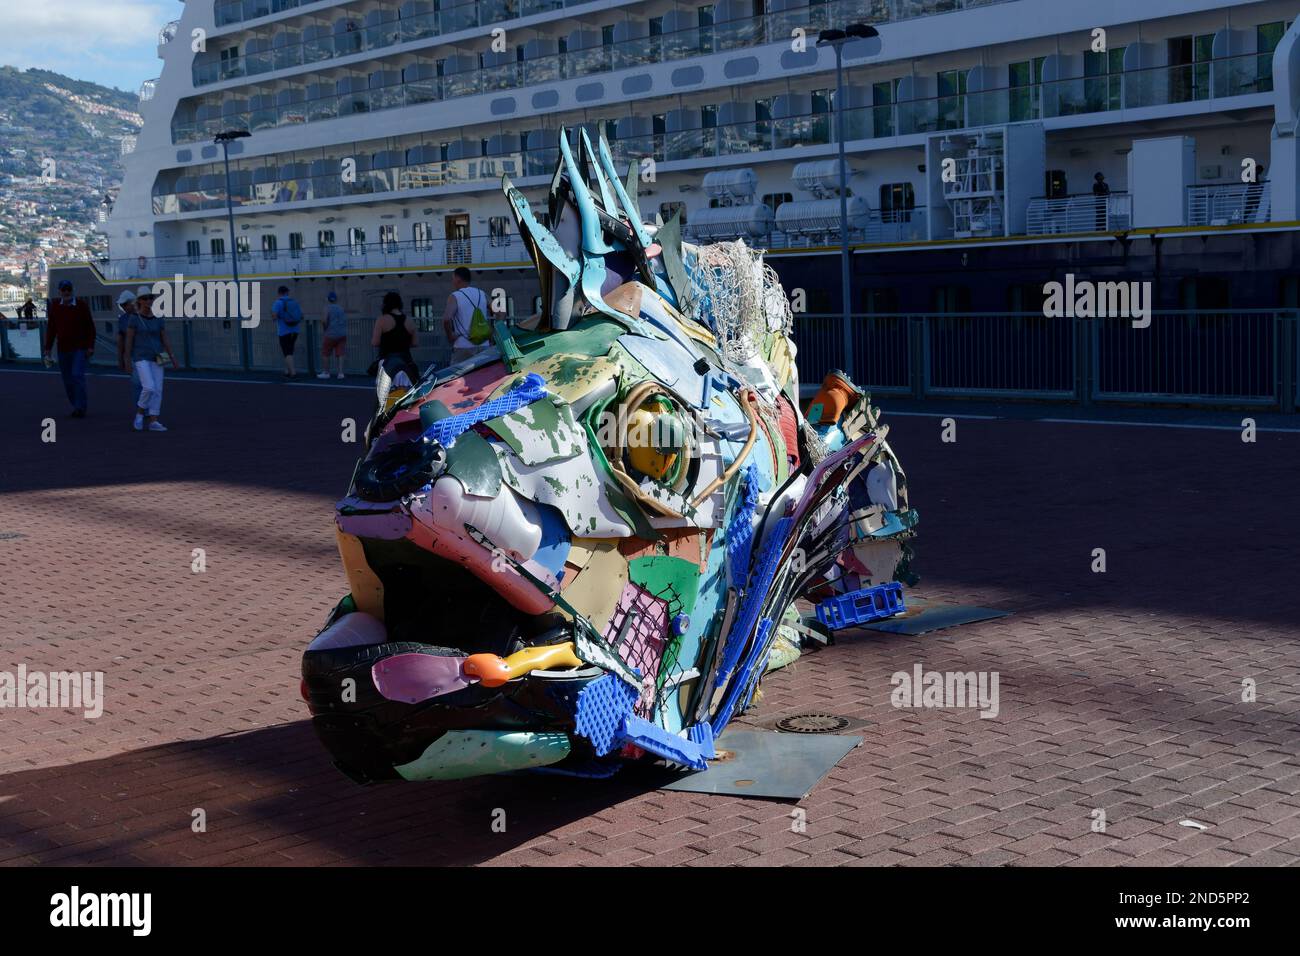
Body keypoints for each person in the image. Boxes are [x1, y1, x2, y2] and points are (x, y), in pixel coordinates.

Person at [124, 287, 179, 432]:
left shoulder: (158, 318)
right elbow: (129, 340)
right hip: (141, 356)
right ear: (139, 301)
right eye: (145, 298)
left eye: (150, 297)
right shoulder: (134, 318)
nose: (148, 300)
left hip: (159, 356)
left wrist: (172, 356)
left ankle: (154, 420)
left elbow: (164, 338)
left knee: (158, 389)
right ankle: (140, 413)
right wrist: (126, 359)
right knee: (149, 386)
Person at [42, 279, 96, 418]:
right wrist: (48, 348)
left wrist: (90, 346)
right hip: (63, 349)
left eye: (68, 289)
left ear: (72, 290)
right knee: (67, 380)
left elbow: (90, 327)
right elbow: (51, 328)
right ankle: (76, 404)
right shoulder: (55, 306)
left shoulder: (81, 305)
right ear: (59, 291)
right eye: (64, 289)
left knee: (77, 375)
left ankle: (80, 407)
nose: (66, 292)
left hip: (79, 347)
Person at [443, 266, 492, 364]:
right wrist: (491, 332)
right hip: (483, 345)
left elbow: (446, 319)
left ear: (458, 279)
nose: (452, 282)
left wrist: (450, 337)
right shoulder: (482, 293)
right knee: (483, 376)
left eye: (453, 279)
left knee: (456, 377)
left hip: (463, 346)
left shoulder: (455, 296)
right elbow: (501, 312)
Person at [370, 290, 418, 378]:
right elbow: (415, 343)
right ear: (400, 304)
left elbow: (375, 342)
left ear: (385, 304)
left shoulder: (382, 320)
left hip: (387, 362)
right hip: (406, 361)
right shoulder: (410, 320)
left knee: (384, 390)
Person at [115, 289, 142, 406]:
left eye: (125, 304)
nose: (123, 307)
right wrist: (121, 360)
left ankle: (146, 407)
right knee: (137, 383)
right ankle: (141, 409)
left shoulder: (144, 315)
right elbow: (120, 340)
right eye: (122, 305)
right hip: (132, 356)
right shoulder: (122, 319)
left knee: (148, 385)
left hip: (147, 355)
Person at [272, 285, 304, 379]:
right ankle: (287, 370)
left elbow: (274, 316)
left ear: (279, 293)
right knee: (290, 350)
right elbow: (301, 315)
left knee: (287, 352)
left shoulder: (278, 302)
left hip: (284, 331)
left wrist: (278, 317)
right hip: (295, 330)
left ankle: (293, 373)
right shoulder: (294, 301)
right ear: (287, 292)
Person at [317, 290, 347, 380]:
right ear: (336, 299)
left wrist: (325, 328)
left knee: (325, 353)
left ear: (328, 299)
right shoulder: (341, 308)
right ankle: (341, 373)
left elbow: (324, 320)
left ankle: (326, 372)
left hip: (330, 334)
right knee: (340, 353)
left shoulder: (327, 308)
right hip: (342, 334)